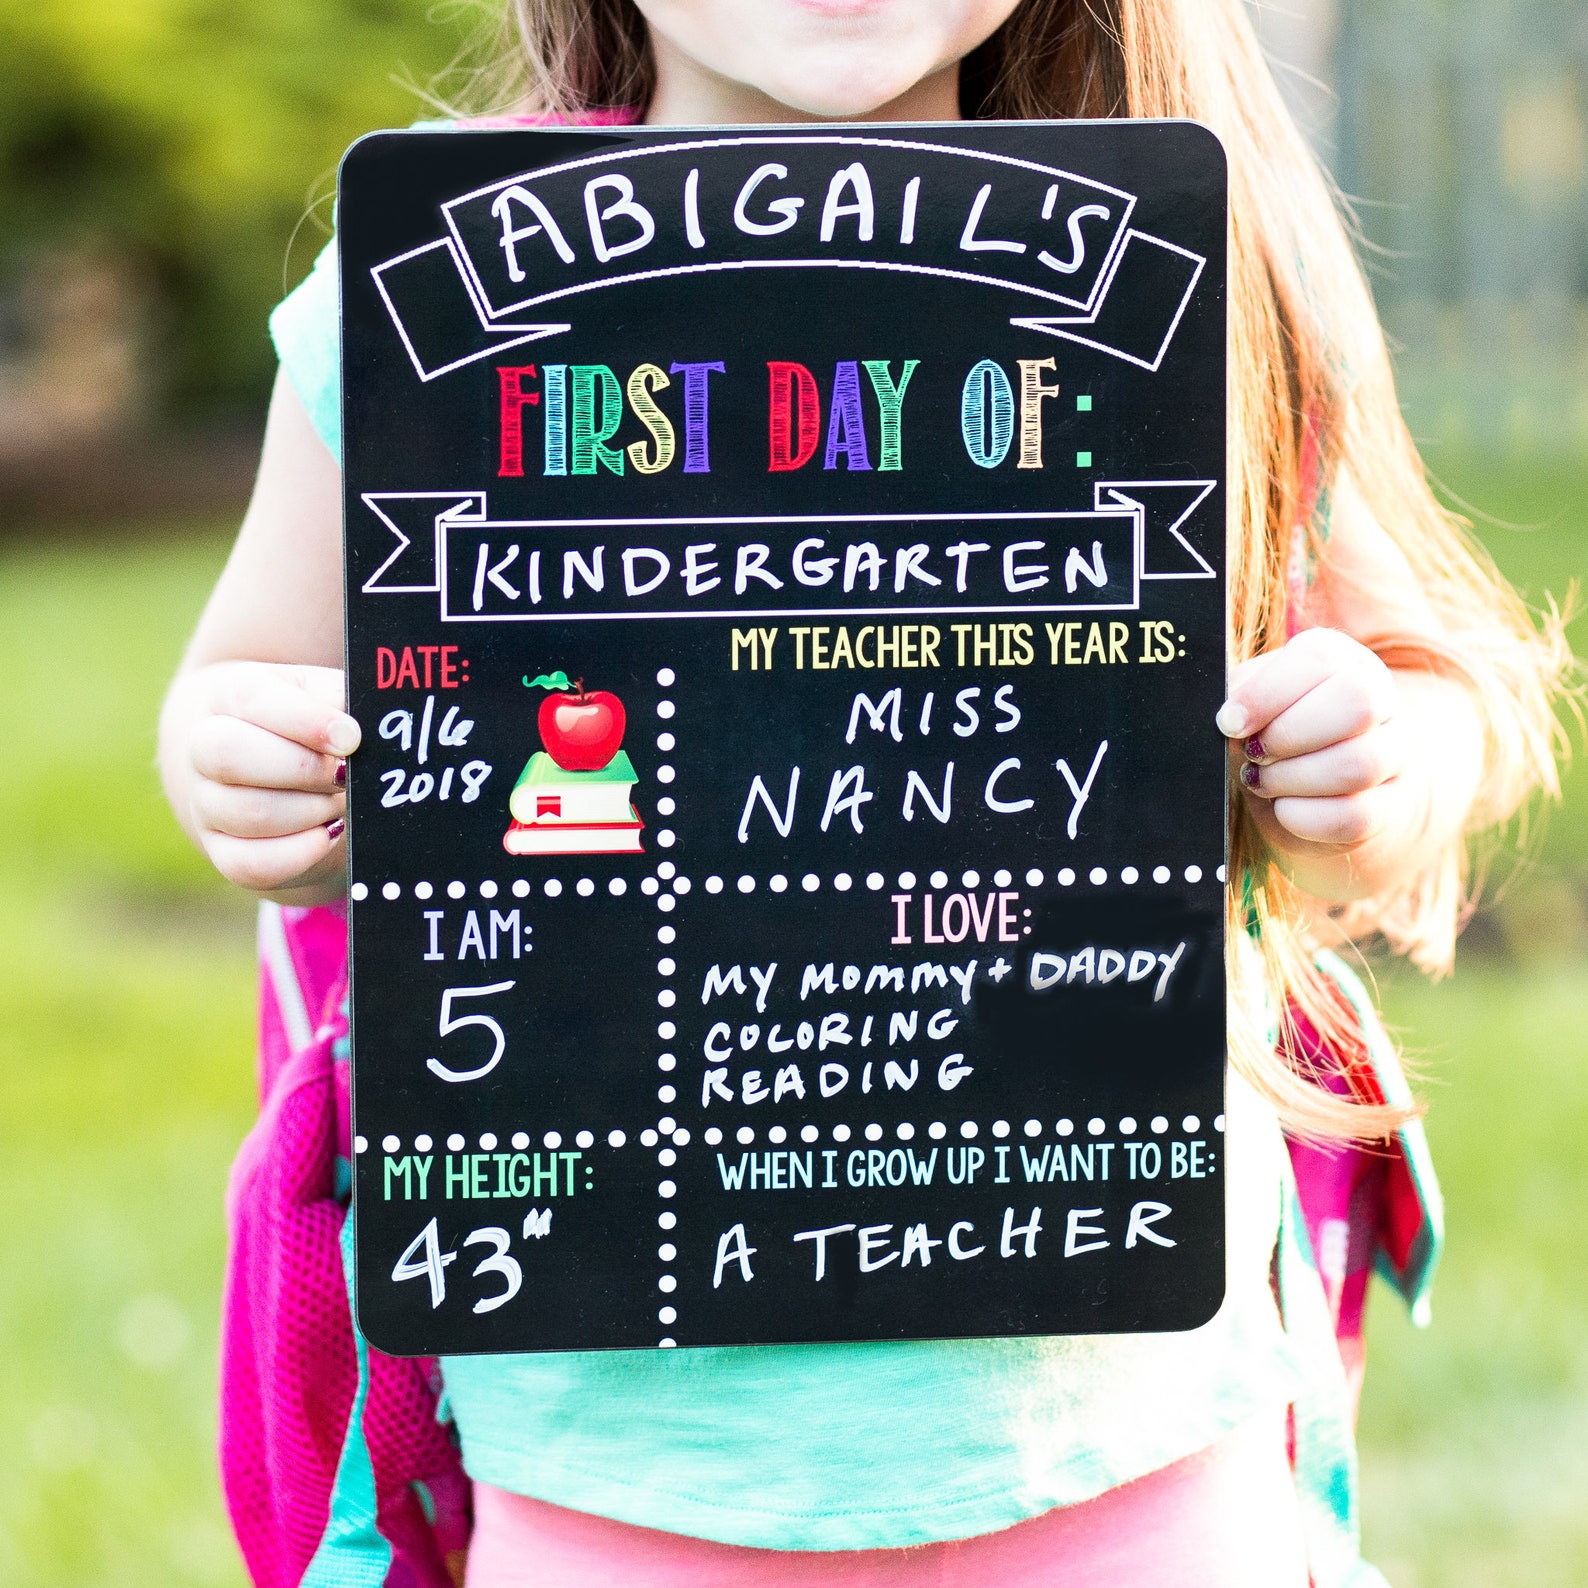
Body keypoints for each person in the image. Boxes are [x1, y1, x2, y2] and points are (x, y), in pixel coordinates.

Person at [159, 2, 1570, 1584]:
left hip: (1136, 1448)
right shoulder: (419, 299)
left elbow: (1433, 682)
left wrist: (1373, 759)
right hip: (615, 1482)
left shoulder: (1199, 273)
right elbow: (243, 689)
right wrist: (255, 780)